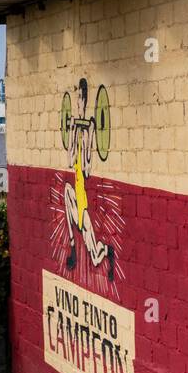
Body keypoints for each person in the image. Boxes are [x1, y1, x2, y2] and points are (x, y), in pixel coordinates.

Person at [63, 79, 114, 282]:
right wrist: (73, 132)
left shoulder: (89, 129)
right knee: (67, 191)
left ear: (86, 103)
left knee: (95, 256)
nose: (79, 104)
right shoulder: (76, 129)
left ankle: (105, 250)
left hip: (83, 200)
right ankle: (73, 248)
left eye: (82, 100)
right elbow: (69, 160)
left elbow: (86, 166)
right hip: (75, 191)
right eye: (77, 100)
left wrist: (89, 132)